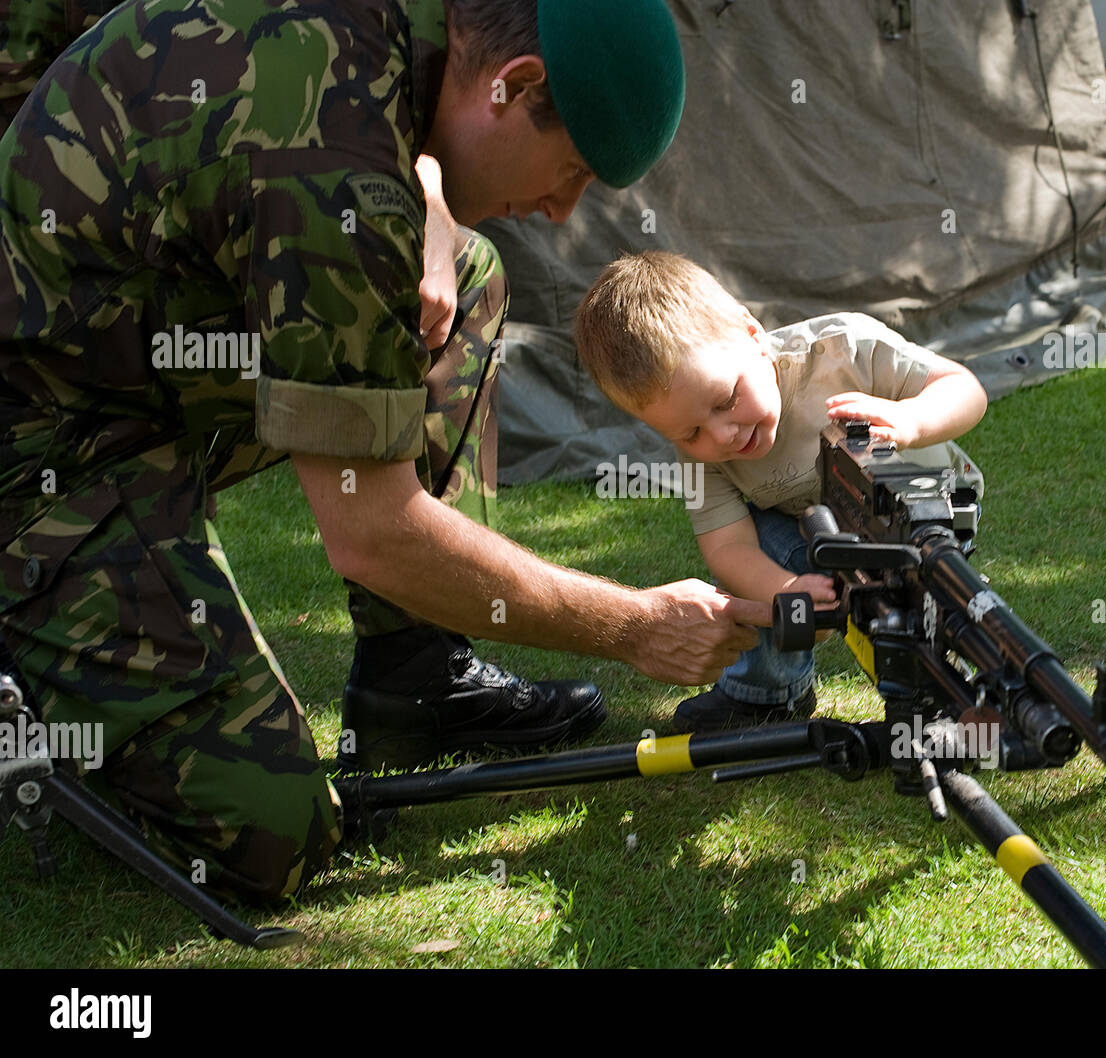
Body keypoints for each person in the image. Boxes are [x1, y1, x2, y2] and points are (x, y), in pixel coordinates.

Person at [0, 0, 766, 905]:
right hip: (49, 446)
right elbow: (372, 529)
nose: (563, 213)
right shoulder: (339, 178)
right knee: (271, 836)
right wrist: (633, 627)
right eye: (570, 172)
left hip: (144, 358)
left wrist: (432, 201)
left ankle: (418, 677)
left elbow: (351, 116)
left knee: (465, 273)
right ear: (514, 87)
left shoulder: (399, 43)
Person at [574, 250, 989, 733]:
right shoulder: (700, 459)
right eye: (690, 433)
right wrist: (785, 590)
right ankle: (765, 694)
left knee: (929, 602)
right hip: (816, 526)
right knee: (765, 546)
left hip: (930, 509)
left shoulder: (844, 349)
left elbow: (965, 388)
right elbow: (728, 547)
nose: (721, 435)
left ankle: (955, 694)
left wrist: (912, 419)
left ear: (754, 337)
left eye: (726, 400)